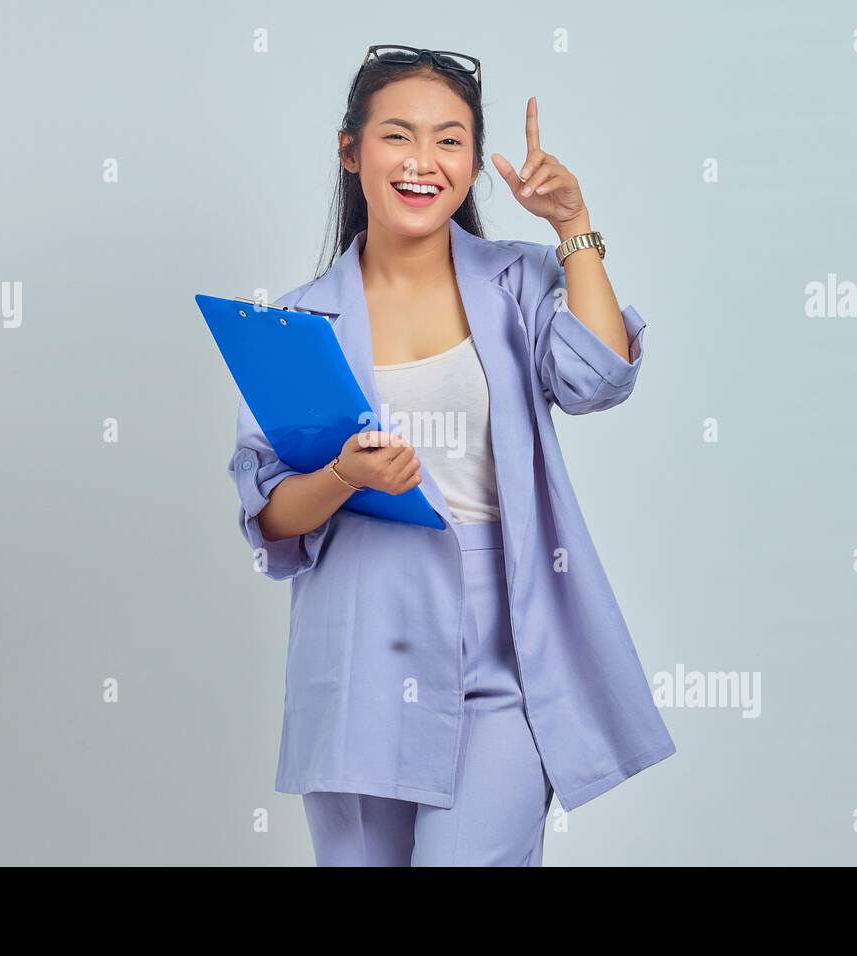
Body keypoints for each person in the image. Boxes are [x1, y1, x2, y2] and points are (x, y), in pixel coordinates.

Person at [227, 45, 675, 866]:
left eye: (449, 140)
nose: (423, 163)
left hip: (505, 639)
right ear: (350, 151)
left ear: (472, 161)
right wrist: (343, 476)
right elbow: (270, 515)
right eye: (398, 136)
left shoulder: (517, 282)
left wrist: (574, 227)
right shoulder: (297, 323)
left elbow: (598, 376)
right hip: (362, 642)